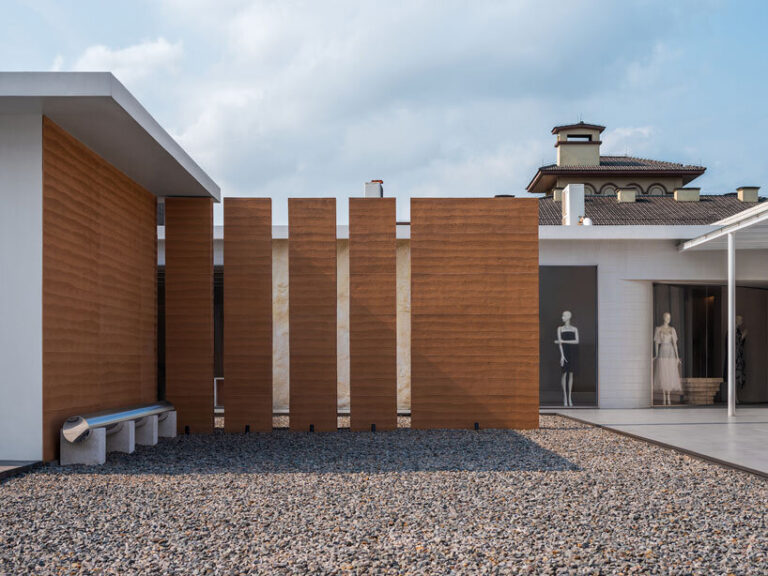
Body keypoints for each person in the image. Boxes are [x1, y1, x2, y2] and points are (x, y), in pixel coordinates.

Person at [653, 312, 682, 405]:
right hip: (662, 351)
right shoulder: (658, 329)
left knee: (669, 372)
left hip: (670, 352)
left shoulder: (672, 329)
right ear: (663, 317)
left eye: (669, 317)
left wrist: (677, 357)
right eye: (666, 317)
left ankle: (668, 396)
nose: (668, 318)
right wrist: (656, 355)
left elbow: (675, 344)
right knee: (663, 372)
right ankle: (663, 397)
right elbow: (656, 343)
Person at [555, 311, 579, 407]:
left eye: (564, 315)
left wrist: (563, 340)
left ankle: (570, 397)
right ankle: (565, 397)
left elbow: (577, 341)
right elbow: (560, 344)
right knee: (564, 374)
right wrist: (562, 355)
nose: (562, 317)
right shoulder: (560, 328)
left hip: (572, 352)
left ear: (568, 317)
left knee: (571, 374)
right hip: (564, 353)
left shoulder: (574, 329)